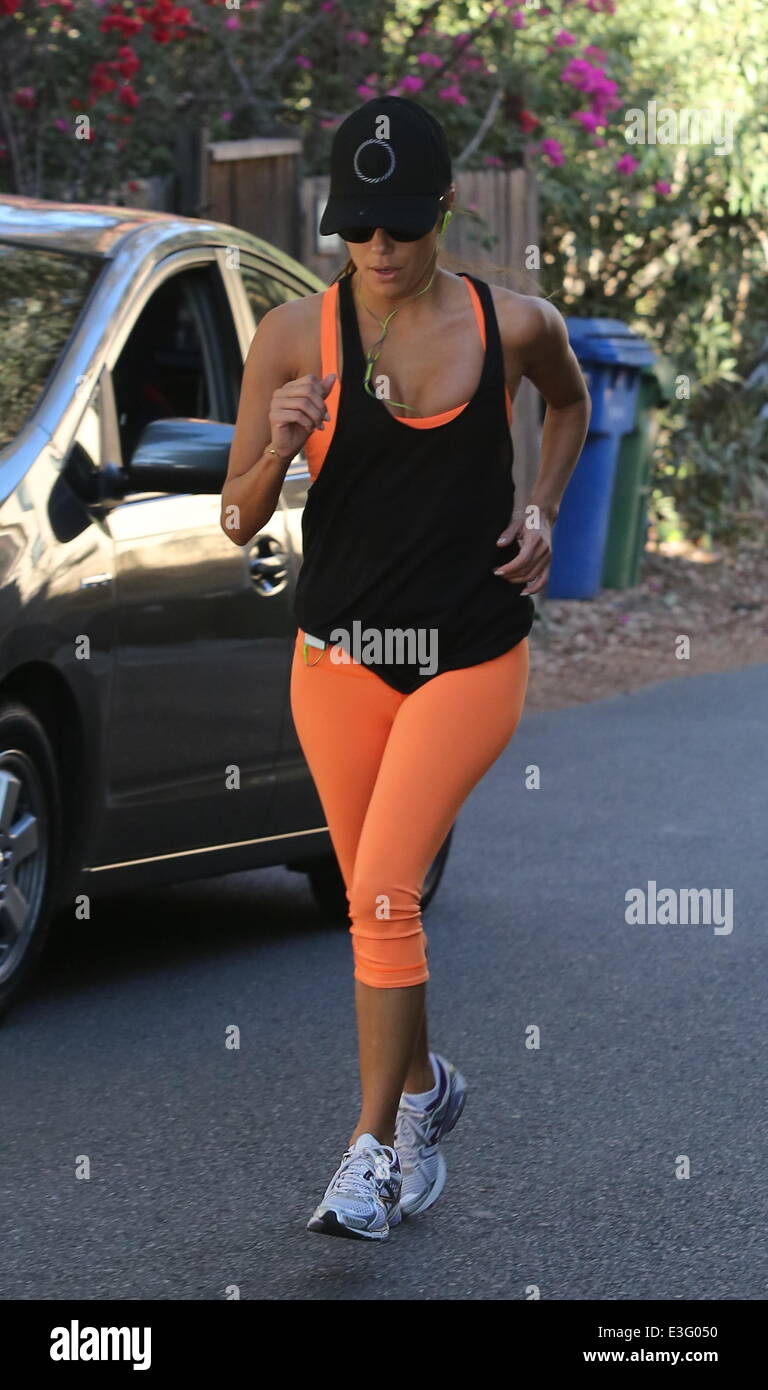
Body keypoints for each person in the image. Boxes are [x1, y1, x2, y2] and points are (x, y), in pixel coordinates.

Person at [222, 96, 591, 1241]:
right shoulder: (293, 334)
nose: (378, 251)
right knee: (371, 908)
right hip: (336, 659)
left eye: (399, 227)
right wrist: (280, 447)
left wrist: (542, 505)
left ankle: (372, 1152)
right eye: (357, 229)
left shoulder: (513, 324)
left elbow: (571, 407)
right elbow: (235, 519)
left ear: (442, 213)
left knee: (383, 889)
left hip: (466, 655)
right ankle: (428, 1092)